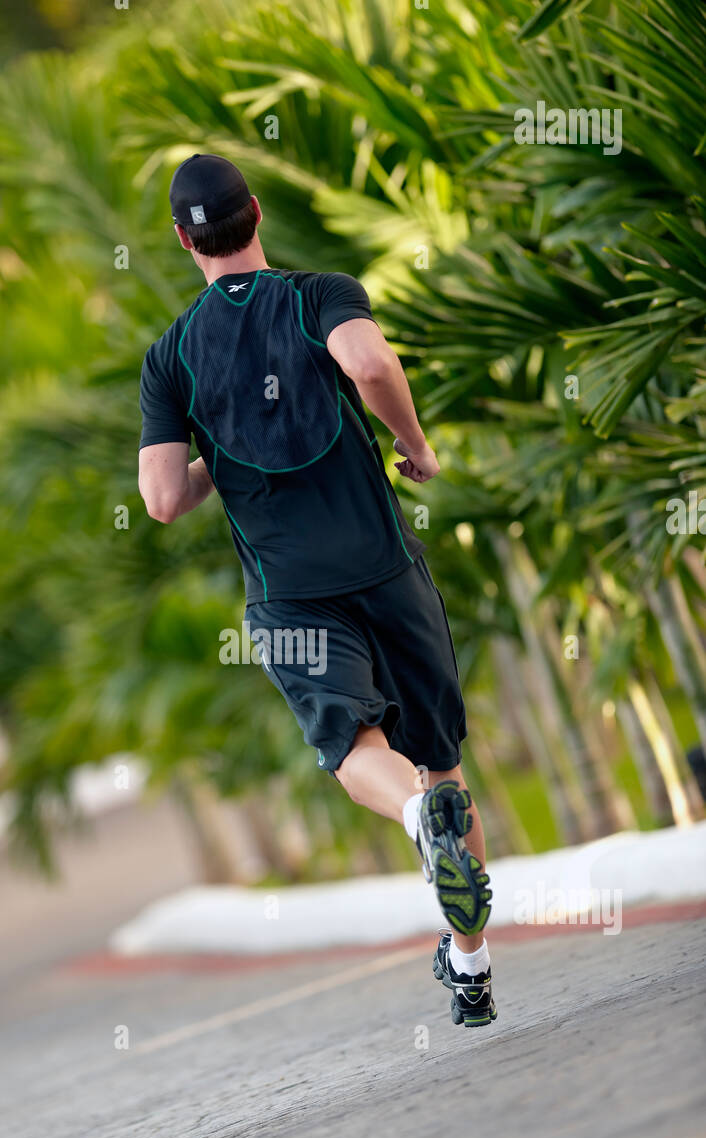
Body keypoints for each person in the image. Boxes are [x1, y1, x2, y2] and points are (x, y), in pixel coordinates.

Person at [138, 154, 495, 1027]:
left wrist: (220, 453)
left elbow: (161, 499)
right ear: (255, 214)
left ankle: (417, 817)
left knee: (355, 749)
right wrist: (414, 444)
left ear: (185, 241)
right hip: (384, 567)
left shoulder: (171, 356)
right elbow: (370, 367)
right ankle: (473, 961)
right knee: (443, 758)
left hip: (290, 595)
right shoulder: (317, 293)